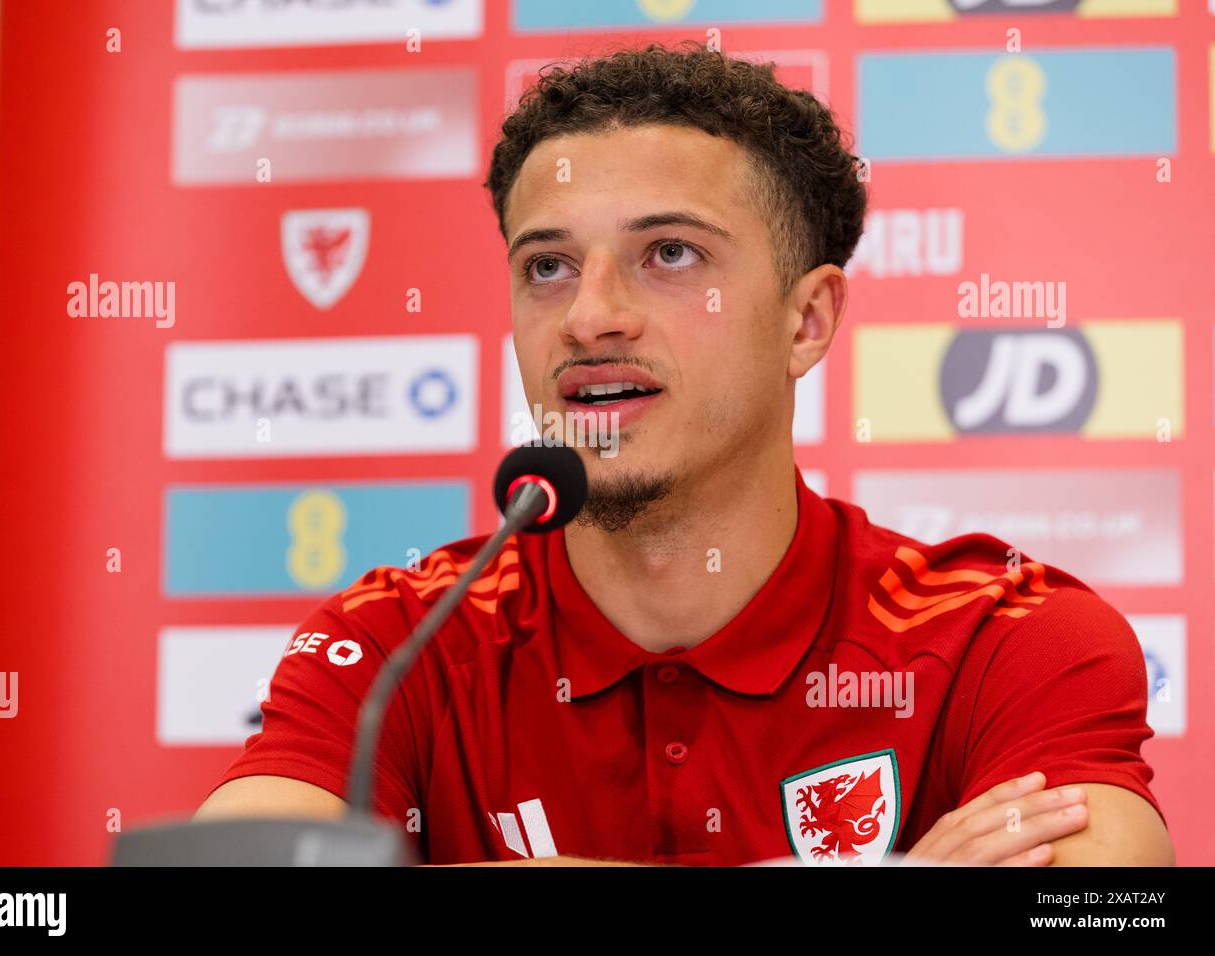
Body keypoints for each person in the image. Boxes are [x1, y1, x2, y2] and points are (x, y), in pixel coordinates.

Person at [195, 44, 1172, 867]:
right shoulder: (396, 643)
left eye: (669, 254)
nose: (588, 317)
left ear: (806, 319)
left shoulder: (1004, 634)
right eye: (548, 266)